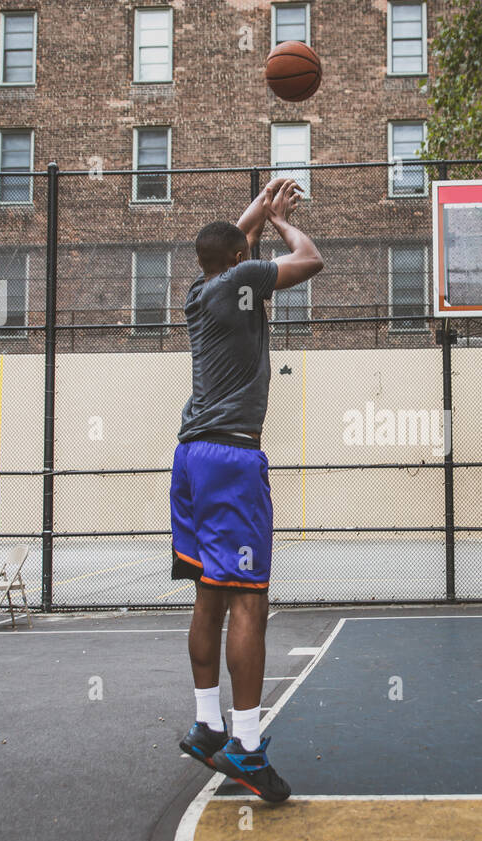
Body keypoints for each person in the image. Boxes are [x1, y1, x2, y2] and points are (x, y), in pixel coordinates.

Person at [172, 177, 322, 803]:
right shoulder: (242, 279)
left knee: (210, 594)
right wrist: (285, 219)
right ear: (240, 262)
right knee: (249, 603)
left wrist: (258, 208)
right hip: (233, 460)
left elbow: (234, 245)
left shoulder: (200, 291)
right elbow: (311, 260)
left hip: (190, 459)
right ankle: (247, 747)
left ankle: (209, 725)